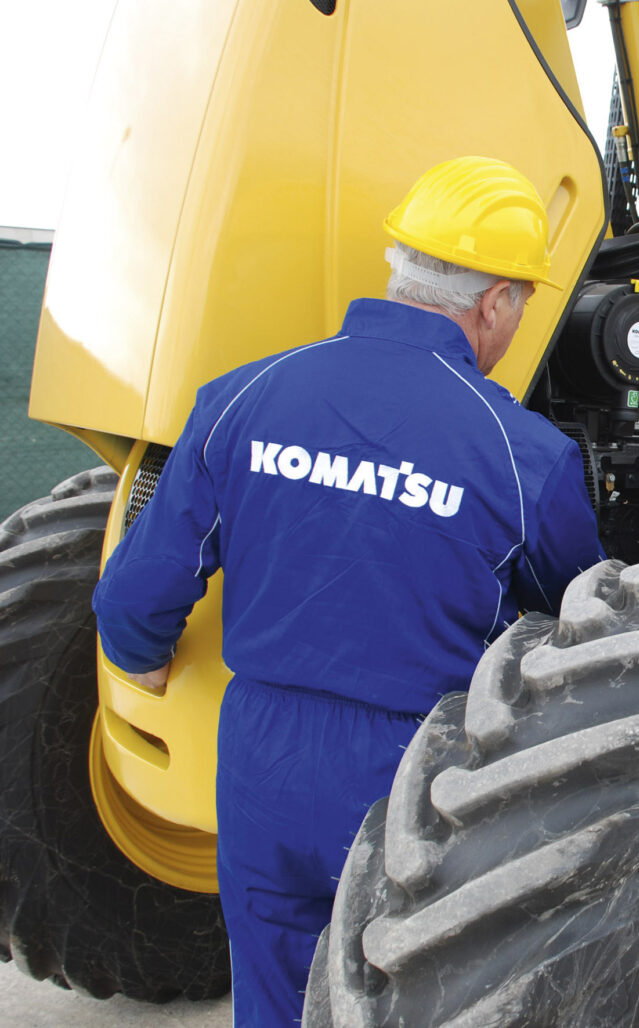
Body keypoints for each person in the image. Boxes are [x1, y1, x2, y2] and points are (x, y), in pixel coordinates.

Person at [92, 156, 606, 1026]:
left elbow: (135, 592)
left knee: (274, 994)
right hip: (412, 769)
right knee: (412, 993)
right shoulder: (523, 454)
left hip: (257, 754)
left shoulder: (244, 397)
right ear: (494, 304)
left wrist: (140, 658)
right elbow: (584, 632)